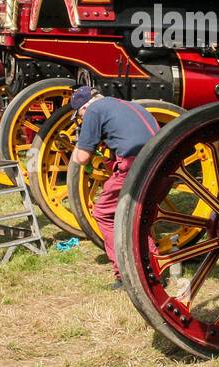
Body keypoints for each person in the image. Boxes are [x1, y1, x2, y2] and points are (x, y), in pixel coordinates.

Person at [69, 86, 161, 289]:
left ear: (83, 108)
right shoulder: (126, 104)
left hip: (135, 165)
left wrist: (82, 138)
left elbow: (82, 158)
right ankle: (153, 268)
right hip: (162, 162)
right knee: (139, 215)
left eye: (80, 116)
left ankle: (124, 274)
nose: (83, 119)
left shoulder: (93, 111)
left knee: (104, 213)